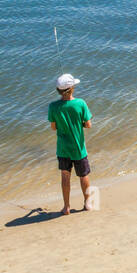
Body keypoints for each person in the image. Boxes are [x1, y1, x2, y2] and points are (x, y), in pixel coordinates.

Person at [48, 73, 93, 215]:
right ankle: (87, 203)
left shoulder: (53, 106)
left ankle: (66, 207)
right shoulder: (80, 103)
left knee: (65, 175)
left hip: (63, 149)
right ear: (71, 89)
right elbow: (88, 125)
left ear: (59, 90)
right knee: (83, 175)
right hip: (78, 149)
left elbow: (53, 127)